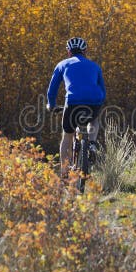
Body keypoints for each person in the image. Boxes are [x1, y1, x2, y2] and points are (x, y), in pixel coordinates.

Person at [46, 37, 106, 177]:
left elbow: (52, 90)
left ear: (69, 52)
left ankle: (64, 174)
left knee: (67, 136)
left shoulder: (62, 64)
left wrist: (51, 105)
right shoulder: (95, 66)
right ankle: (92, 143)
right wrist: (99, 102)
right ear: (85, 51)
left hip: (72, 102)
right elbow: (102, 90)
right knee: (94, 120)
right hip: (94, 101)